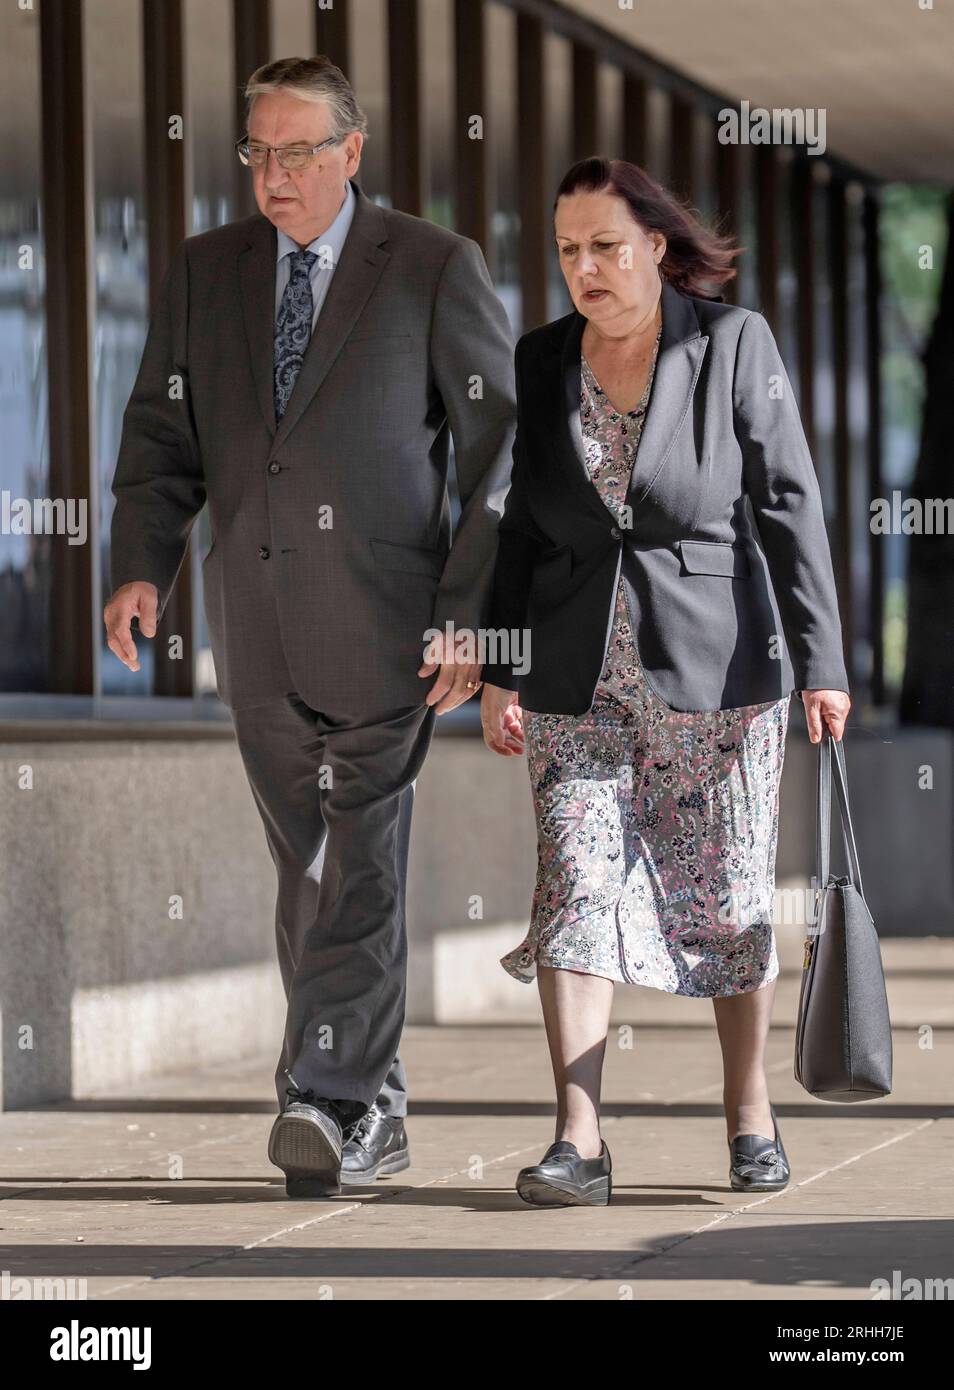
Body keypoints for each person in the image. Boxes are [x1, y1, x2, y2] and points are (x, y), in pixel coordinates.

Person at [104, 56, 516, 1198]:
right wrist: (141, 568)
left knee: (363, 859)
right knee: (310, 866)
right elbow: (162, 435)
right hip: (259, 624)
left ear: (352, 150)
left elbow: (500, 459)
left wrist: (472, 618)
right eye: (257, 154)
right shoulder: (206, 272)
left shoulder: (433, 268)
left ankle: (326, 1097)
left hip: (393, 630)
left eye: (296, 153)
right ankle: (362, 1104)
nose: (273, 178)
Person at [479, 157, 851, 1207]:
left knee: (728, 897)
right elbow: (523, 527)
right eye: (566, 250)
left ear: (656, 243)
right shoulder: (543, 355)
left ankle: (749, 1109)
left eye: (605, 245)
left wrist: (822, 663)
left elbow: (789, 503)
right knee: (574, 888)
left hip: (721, 668)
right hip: (574, 672)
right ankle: (579, 1140)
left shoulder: (733, 342)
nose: (585, 268)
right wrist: (502, 665)